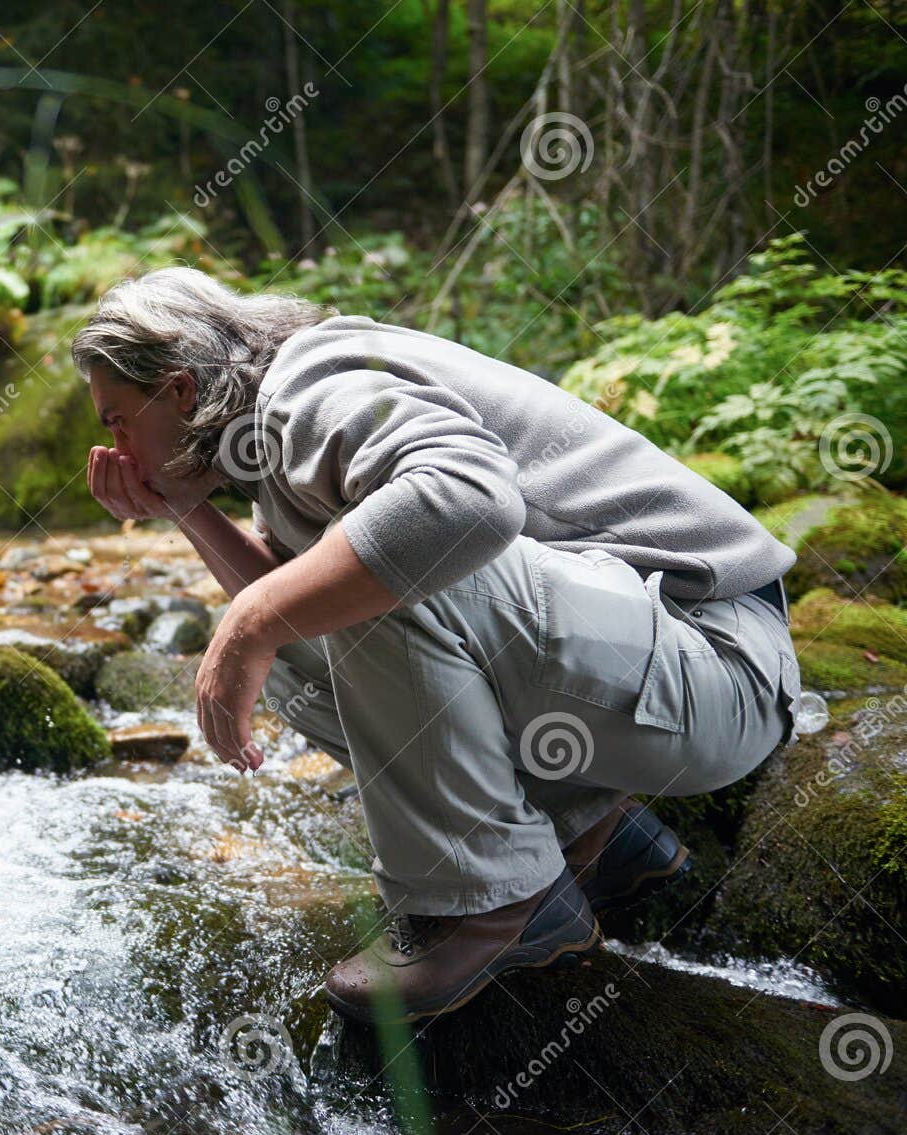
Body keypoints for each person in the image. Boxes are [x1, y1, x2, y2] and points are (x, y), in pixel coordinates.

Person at [69, 266, 802, 1024]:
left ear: (181, 391)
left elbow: (466, 502)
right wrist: (189, 511)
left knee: (363, 573)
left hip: (719, 662)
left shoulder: (312, 386)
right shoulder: (271, 441)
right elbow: (297, 610)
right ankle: (591, 831)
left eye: (116, 417)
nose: (113, 443)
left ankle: (487, 905)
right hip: (655, 681)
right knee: (297, 642)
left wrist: (251, 621)